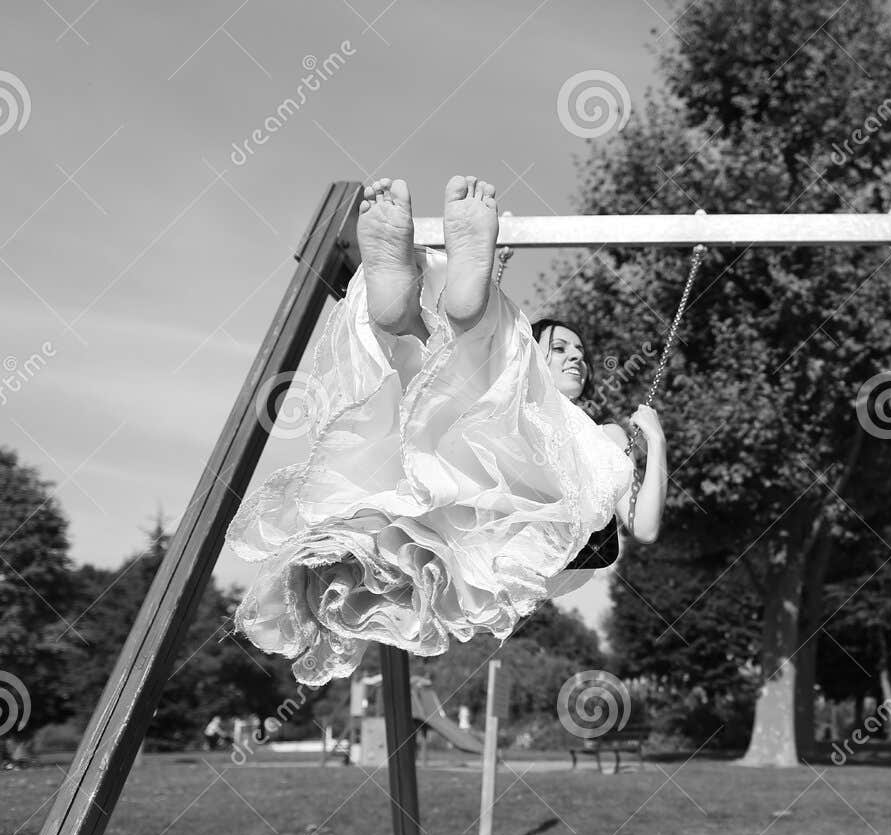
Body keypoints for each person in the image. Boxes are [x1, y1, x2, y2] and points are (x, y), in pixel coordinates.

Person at [229, 178, 669, 686]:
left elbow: (644, 526)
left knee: (446, 392)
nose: (578, 358)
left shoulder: (602, 436)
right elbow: (645, 527)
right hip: (477, 497)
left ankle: (420, 320)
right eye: (560, 348)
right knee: (444, 400)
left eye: (582, 354)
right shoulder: (579, 425)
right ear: (536, 359)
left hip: (504, 513)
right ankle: (434, 313)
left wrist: (655, 442)